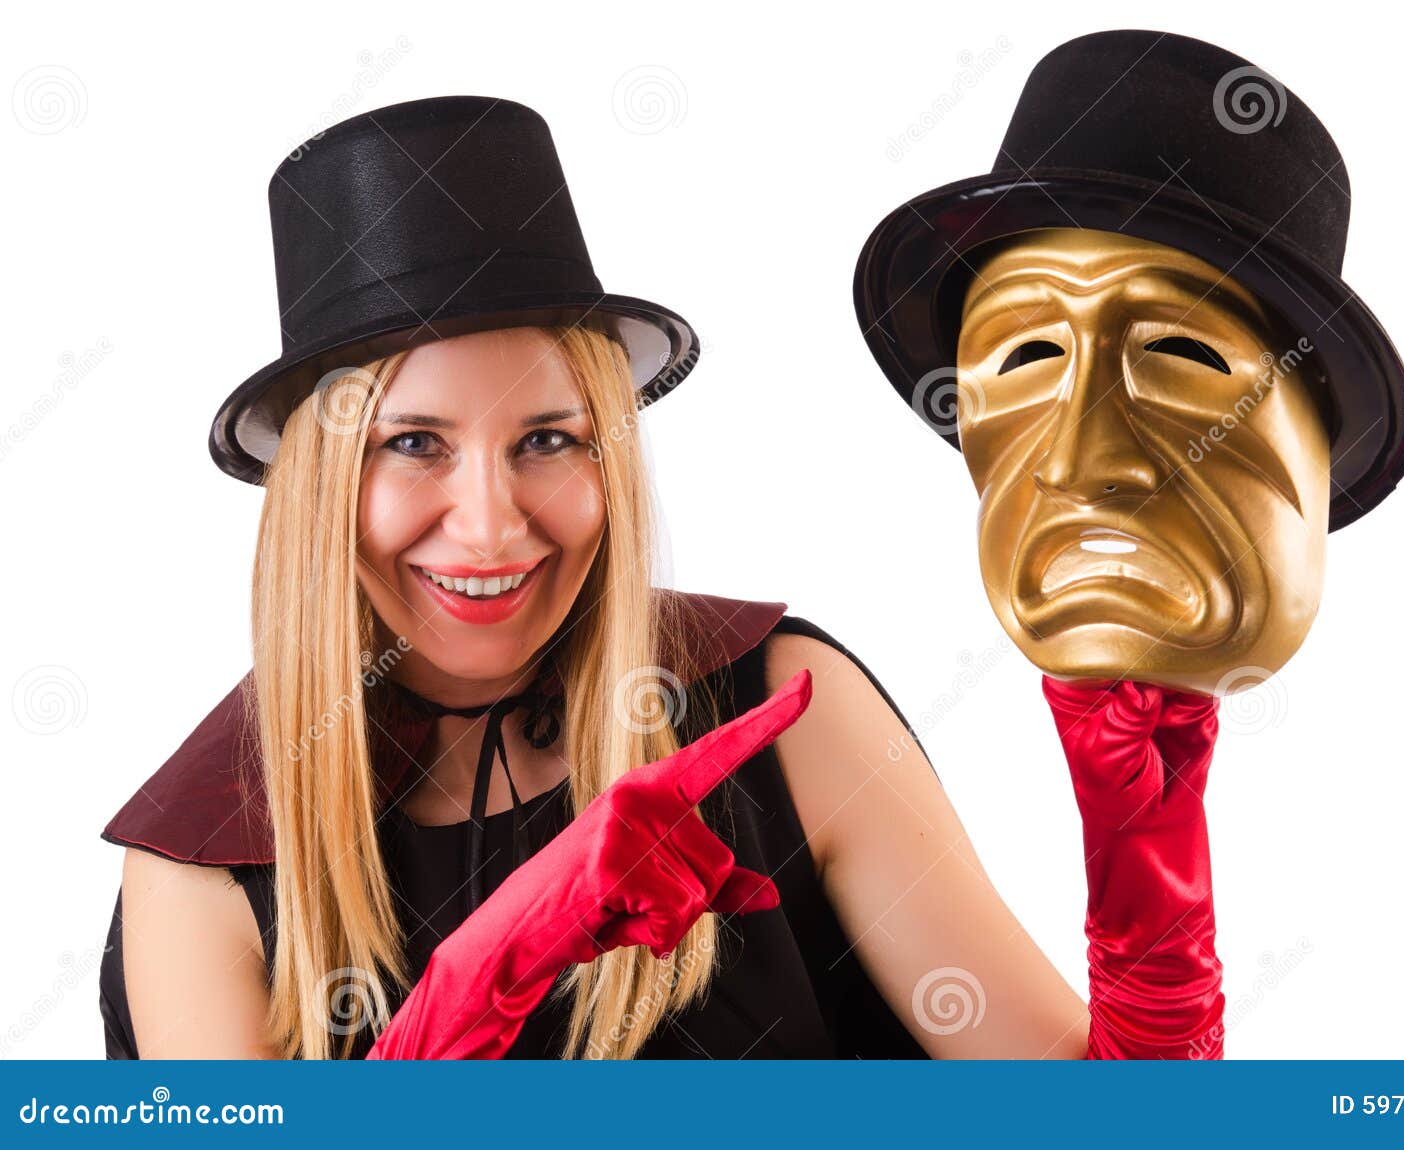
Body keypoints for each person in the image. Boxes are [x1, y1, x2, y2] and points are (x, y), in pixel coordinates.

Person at [99, 95, 1223, 1060]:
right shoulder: (206, 850)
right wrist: (477, 985)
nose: (490, 526)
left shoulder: (778, 708)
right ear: (315, 487)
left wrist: (1146, 859)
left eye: (548, 439)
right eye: (412, 444)